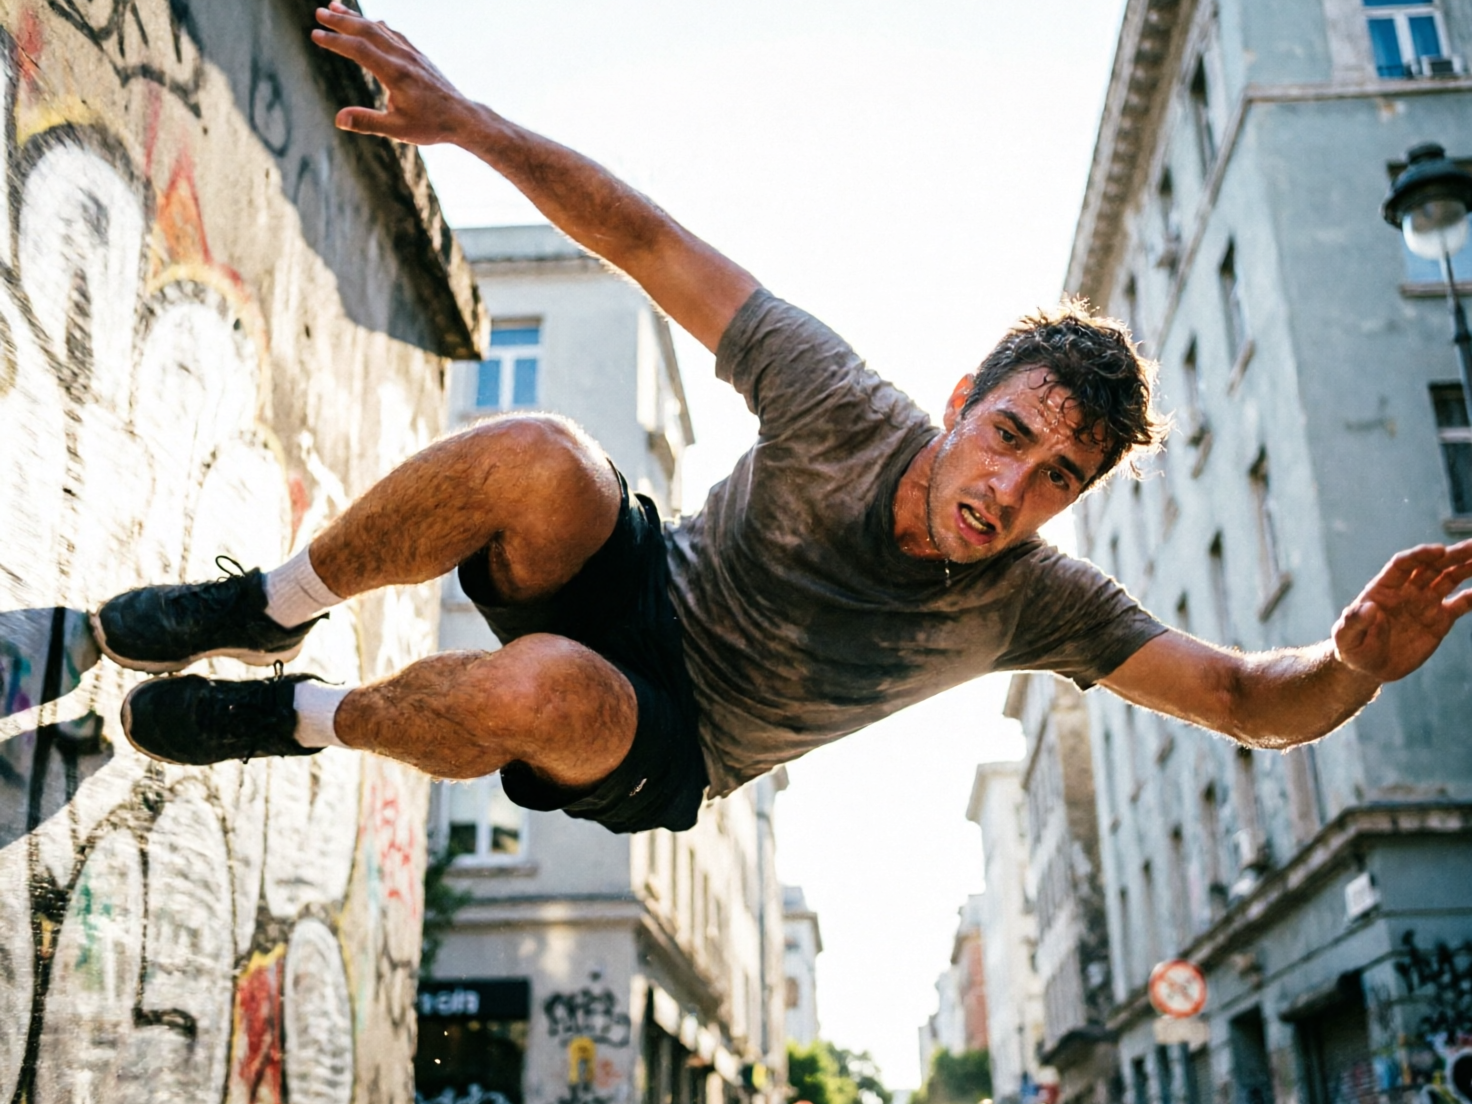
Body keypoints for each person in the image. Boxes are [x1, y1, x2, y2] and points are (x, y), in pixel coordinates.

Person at [94, 3, 1472, 835]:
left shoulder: (1041, 606)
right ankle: (269, 604)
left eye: (1057, 477)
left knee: (545, 692)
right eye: (1011, 436)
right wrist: (468, 124)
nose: (1015, 486)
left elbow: (1242, 698)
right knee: (545, 455)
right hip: (641, 576)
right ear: (958, 405)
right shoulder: (836, 399)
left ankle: (296, 715)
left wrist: (1352, 666)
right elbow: (643, 237)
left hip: (670, 736)